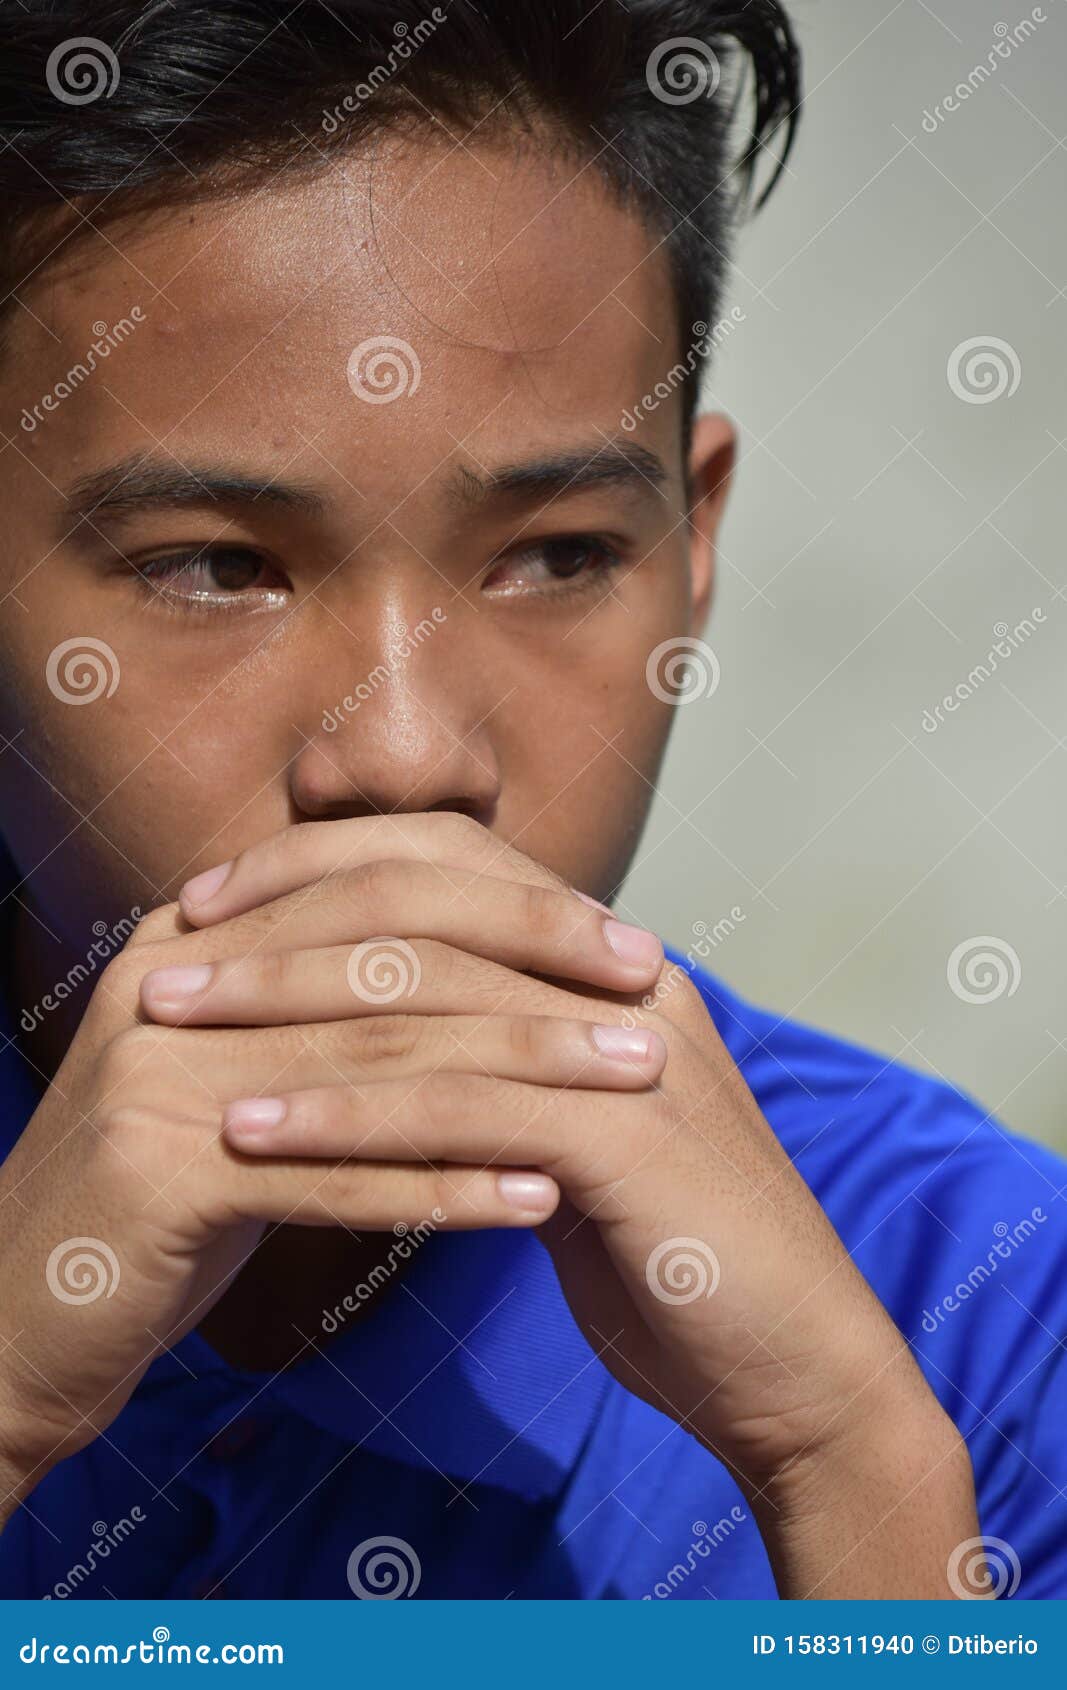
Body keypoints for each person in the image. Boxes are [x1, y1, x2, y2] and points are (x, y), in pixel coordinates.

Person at [0, 0, 1063, 1601]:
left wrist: (857, 1477)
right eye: (216, 566)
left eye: (559, 554)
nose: (405, 756)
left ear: (694, 544)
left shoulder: (983, 1322)